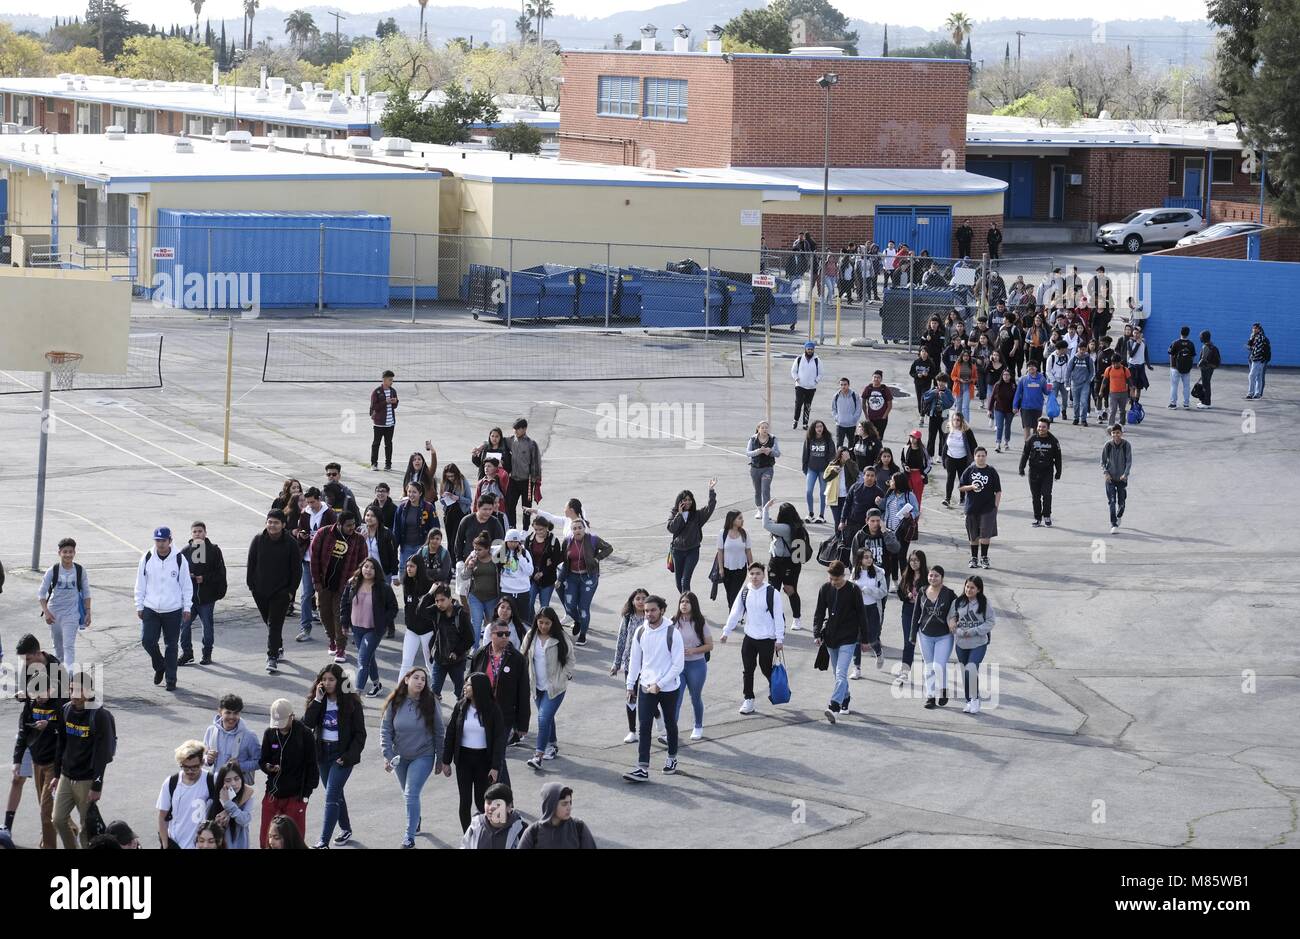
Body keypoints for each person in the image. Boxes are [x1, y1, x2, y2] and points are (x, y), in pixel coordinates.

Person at [8, 635, 66, 848]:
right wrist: (28, 695)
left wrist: (48, 694)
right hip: (37, 749)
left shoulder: (58, 670)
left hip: (55, 753)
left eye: (28, 659)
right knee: (48, 806)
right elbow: (27, 715)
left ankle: (49, 844)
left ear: (38, 653)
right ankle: (70, 830)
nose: (26, 664)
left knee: (46, 810)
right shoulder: (28, 671)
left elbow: (66, 707)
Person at [621, 595, 685, 782]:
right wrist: (630, 685)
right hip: (646, 685)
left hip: (668, 688)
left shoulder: (672, 633)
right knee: (645, 726)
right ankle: (642, 768)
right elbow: (634, 660)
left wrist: (661, 684)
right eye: (646, 610)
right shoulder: (641, 632)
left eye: (653, 610)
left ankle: (672, 758)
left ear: (662, 610)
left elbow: (678, 665)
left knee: (670, 723)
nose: (648, 613)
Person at [381, 666, 446, 848]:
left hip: (423, 755)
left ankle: (409, 837)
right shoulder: (395, 701)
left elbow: (440, 731)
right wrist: (388, 755)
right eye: (416, 677)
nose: (420, 682)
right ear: (407, 679)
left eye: (423, 679)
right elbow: (385, 729)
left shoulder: (431, 701)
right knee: (408, 794)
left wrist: (440, 759)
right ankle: (415, 818)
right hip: (400, 757)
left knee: (411, 794)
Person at [303, 664, 367, 848]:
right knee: (336, 793)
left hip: (342, 756)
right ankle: (346, 828)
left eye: (331, 679)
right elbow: (307, 724)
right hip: (323, 754)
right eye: (324, 679)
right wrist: (317, 699)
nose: (327, 683)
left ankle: (323, 841)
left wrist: (347, 756)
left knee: (331, 796)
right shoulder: (319, 700)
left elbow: (360, 735)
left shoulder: (352, 703)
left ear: (340, 681)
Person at [50, 669, 112, 849]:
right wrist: (56, 774)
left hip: (87, 779)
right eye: (71, 689)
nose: (74, 695)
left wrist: (97, 785)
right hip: (66, 776)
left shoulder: (99, 715)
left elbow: (103, 755)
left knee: (87, 827)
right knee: (58, 819)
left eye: (79, 690)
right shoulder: (66, 710)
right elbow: (61, 744)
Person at [441, 673, 507, 832]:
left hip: (483, 761)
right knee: (465, 801)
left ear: (479, 688)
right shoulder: (461, 706)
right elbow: (450, 733)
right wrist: (446, 761)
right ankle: (467, 836)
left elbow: (499, 740)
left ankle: (489, 833)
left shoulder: (493, 709)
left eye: (468, 685)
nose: (465, 687)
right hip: (463, 759)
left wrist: (495, 767)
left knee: (481, 801)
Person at [720, 563, 787, 715]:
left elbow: (778, 616)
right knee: (748, 669)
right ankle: (748, 699)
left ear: (764, 575)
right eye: (752, 574)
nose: (754, 577)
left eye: (758, 573)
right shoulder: (745, 591)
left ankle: (777, 688)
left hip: (767, 638)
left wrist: (779, 639)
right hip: (749, 637)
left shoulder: (772, 593)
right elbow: (736, 611)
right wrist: (726, 631)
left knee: (765, 668)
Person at [134, 526, 193, 692]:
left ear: (170, 541)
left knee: (171, 646)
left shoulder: (180, 559)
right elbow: (140, 583)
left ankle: (171, 679)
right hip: (151, 608)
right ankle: (160, 665)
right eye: (157, 541)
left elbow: (186, 586)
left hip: (173, 610)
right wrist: (139, 604)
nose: (160, 544)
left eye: (163, 541)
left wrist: (187, 607)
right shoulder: (147, 558)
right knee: (147, 640)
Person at [247, 510, 302, 675]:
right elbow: (251, 563)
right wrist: (252, 586)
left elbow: (296, 570)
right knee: (270, 623)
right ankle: (278, 646)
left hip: (281, 592)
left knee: (274, 624)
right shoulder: (258, 540)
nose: (272, 525)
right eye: (270, 522)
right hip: (260, 591)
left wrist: (291, 592)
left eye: (276, 522)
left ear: (283, 525)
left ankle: (272, 657)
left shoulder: (291, 543)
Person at [309, 511, 368, 664]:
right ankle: (332, 640)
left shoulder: (359, 540)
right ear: (339, 524)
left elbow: (363, 563)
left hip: (344, 585)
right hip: (324, 584)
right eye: (349, 525)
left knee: (339, 616)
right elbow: (314, 557)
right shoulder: (323, 534)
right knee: (324, 614)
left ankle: (341, 648)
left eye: (354, 525)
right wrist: (316, 581)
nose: (352, 528)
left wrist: (357, 583)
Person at [813, 560, 867, 724]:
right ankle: (846, 697)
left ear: (843, 576)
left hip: (848, 638)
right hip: (831, 637)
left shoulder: (853, 589)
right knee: (837, 673)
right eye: (831, 579)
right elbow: (819, 612)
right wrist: (816, 633)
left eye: (836, 579)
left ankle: (834, 705)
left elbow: (862, 615)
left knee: (841, 673)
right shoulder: (825, 588)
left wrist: (865, 639)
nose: (834, 582)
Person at [259, 698, 318, 847]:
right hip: (272, 794)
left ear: (292, 716)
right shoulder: (270, 733)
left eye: (283, 723)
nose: (280, 727)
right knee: (267, 839)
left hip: (295, 796)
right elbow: (262, 760)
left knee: (293, 840)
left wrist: (305, 795)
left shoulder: (305, 734)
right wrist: (268, 767)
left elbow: (312, 766)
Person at [468, 621, 531, 761]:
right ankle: (494, 782)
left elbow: (524, 692)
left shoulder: (517, 659)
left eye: (507, 634)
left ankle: (500, 783)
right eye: (500, 634)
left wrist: (522, 723)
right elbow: (469, 680)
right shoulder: (480, 654)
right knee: (486, 754)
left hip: (504, 714)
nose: (504, 637)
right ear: (491, 635)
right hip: (481, 710)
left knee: (497, 755)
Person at [522, 607, 574, 770]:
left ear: (553, 623)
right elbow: (523, 656)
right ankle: (552, 745)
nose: (543, 626)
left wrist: (563, 677)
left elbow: (570, 660)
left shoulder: (561, 638)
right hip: (537, 687)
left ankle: (538, 755)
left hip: (555, 687)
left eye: (547, 623)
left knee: (543, 718)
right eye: (540, 622)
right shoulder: (531, 636)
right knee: (547, 717)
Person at [339, 557, 398, 698]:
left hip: (374, 630)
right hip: (356, 628)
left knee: (363, 660)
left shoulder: (383, 587)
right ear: (361, 568)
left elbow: (393, 608)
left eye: (372, 567)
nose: (368, 570)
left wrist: (383, 622)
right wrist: (344, 623)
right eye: (366, 566)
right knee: (369, 657)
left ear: (376, 570)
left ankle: (357, 694)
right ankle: (377, 684)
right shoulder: (352, 583)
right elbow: (345, 604)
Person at [37, 538, 92, 669]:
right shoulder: (53, 570)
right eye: (65, 552)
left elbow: (86, 592)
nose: (68, 554)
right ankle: (60, 673)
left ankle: (69, 676)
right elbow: (41, 593)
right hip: (54, 612)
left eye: (71, 552)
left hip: (72, 613)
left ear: (74, 553)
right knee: (58, 646)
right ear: (59, 553)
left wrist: (88, 611)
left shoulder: (80, 570)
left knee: (69, 646)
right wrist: (46, 612)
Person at [156, 740, 218, 848]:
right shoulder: (171, 783)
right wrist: (165, 845)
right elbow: (162, 818)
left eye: (195, 767)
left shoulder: (211, 780)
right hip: (175, 844)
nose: (190, 771)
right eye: (185, 767)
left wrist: (226, 812)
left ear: (202, 762)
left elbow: (243, 792)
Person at [560, 518, 613, 646]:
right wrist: (560, 579)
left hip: (589, 578)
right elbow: (564, 562)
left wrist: (597, 558)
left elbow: (609, 548)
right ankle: (578, 621)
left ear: (584, 528)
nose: (577, 530)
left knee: (583, 607)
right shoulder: (567, 541)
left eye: (580, 528)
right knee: (570, 605)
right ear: (571, 531)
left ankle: (583, 635)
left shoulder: (593, 539)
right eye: (574, 528)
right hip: (572, 577)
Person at [292, 487, 334, 642]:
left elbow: (334, 534)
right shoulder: (305, 513)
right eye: (307, 502)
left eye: (312, 502)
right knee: (305, 595)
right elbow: (301, 530)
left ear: (319, 499)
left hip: (324, 561)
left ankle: (332, 627)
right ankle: (305, 628)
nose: (309, 505)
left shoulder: (328, 513)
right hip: (308, 560)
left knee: (326, 596)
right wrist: (302, 534)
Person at [950, 575, 995, 714]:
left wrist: (974, 631)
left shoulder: (984, 604)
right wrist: (956, 629)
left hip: (978, 643)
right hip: (961, 643)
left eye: (972, 588)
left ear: (979, 590)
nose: (969, 589)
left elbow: (990, 622)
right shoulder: (958, 602)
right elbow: (951, 617)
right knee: (965, 672)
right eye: (967, 586)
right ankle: (969, 701)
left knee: (971, 669)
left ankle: (975, 699)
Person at [913, 566, 957, 708]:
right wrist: (912, 634)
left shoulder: (949, 594)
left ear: (942, 577)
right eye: (931, 575)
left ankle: (943, 689)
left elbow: (959, 609)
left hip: (944, 636)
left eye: (936, 576)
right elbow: (916, 613)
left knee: (939, 665)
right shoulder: (922, 591)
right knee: (929, 666)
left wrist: (954, 619)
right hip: (925, 634)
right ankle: (930, 696)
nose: (933, 578)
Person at [181, 547, 231, 672]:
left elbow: (219, 573)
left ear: (205, 533)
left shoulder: (213, 551)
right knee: (183, 625)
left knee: (207, 626)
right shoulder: (186, 551)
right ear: (191, 534)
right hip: (190, 599)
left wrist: (204, 578)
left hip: (206, 598)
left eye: (200, 531)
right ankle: (187, 653)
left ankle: (207, 653)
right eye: (195, 531)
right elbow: (179, 571)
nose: (197, 534)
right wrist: (188, 576)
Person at [762, 500, 809, 631]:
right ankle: (794, 619)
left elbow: (766, 524)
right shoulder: (797, 526)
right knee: (789, 590)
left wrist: (765, 508)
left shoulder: (785, 528)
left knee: (777, 591)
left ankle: (785, 619)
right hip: (791, 563)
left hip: (781, 562)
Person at [672, 592, 713, 741]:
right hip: (678, 666)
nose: (683, 604)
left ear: (693, 604)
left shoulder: (700, 623)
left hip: (696, 665)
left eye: (687, 602)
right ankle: (671, 730)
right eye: (682, 601)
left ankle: (698, 726)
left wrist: (693, 650)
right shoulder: (673, 622)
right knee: (676, 698)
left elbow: (710, 646)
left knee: (695, 697)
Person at [201, 693, 261, 784]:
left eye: (235, 713)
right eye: (228, 712)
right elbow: (202, 757)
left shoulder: (249, 736)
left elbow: (260, 762)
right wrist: (208, 759)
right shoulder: (211, 731)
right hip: (216, 784)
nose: (232, 717)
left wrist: (240, 765)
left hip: (239, 788)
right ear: (220, 711)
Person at [958, 448, 1002, 569]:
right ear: (974, 456)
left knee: (985, 535)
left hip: (988, 508)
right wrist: (971, 487)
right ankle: (973, 558)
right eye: (978, 456)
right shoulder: (970, 470)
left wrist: (996, 507)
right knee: (973, 535)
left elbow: (998, 491)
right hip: (972, 508)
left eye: (983, 455)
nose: (981, 458)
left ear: (986, 456)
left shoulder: (991, 471)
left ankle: (984, 557)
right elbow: (961, 487)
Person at [519, 783, 597, 849]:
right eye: (564, 804)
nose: (569, 808)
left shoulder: (578, 827)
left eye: (570, 802)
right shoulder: (533, 832)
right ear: (551, 805)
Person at [1019, 416, 1063, 528]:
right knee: (1035, 496)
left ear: (1048, 428)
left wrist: (1058, 472)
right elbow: (1025, 454)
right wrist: (1021, 467)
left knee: (1047, 494)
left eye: (1043, 427)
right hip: (1033, 471)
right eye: (1039, 426)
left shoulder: (1053, 441)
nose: (1041, 429)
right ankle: (1037, 518)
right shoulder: (1031, 439)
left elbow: (1058, 457)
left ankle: (1047, 516)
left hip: (1047, 472)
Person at [893, 550, 927, 687]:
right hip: (908, 612)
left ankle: (929, 673)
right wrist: (906, 596)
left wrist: (919, 597)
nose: (913, 563)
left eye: (916, 560)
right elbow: (900, 593)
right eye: (911, 560)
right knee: (909, 642)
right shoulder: (906, 575)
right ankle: (904, 673)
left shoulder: (927, 577)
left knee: (926, 644)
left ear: (922, 561)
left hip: (924, 614)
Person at [461, 782, 527, 849]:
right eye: (488, 803)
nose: (491, 808)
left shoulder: (521, 830)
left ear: (509, 807)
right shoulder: (476, 826)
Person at [494, 530, 535, 637]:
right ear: (506, 541)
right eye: (510, 541)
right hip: (506, 591)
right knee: (504, 619)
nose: (513, 544)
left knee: (523, 622)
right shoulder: (501, 551)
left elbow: (529, 571)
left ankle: (523, 644)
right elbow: (485, 549)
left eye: (516, 542)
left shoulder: (525, 553)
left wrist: (520, 557)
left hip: (522, 592)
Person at [393, 482, 438, 577]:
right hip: (405, 547)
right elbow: (396, 529)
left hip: (422, 547)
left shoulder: (429, 507)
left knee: (421, 575)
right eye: (409, 491)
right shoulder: (402, 508)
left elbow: (435, 529)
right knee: (405, 575)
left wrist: (430, 546)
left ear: (420, 493)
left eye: (414, 492)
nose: (411, 494)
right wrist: (394, 547)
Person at [505, 419, 542, 530]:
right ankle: (512, 528)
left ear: (524, 429)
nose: (515, 431)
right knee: (510, 506)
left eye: (518, 429)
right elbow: (493, 440)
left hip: (527, 481)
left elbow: (536, 461)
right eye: (514, 429)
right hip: (513, 480)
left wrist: (535, 478)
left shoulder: (531, 444)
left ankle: (525, 530)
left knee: (526, 508)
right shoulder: (510, 441)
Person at [211, 759, 255, 849]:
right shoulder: (213, 800)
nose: (234, 783)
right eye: (228, 780)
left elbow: (244, 820)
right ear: (221, 782)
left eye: (237, 778)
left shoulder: (247, 799)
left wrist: (228, 803)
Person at [939, 410, 977, 509]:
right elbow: (944, 444)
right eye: (954, 420)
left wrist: (974, 458)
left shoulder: (966, 431)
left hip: (962, 458)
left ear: (961, 421)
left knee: (962, 479)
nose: (956, 422)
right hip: (950, 457)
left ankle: (962, 498)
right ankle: (947, 499)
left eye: (958, 420)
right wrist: (943, 457)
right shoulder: (948, 430)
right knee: (950, 477)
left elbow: (974, 445)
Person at [453, 493, 506, 563]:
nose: (488, 512)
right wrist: (459, 560)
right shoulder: (466, 520)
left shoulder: (495, 523)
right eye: (485, 509)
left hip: (488, 563)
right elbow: (458, 542)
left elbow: (500, 545)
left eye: (490, 509)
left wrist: (499, 566)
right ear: (478, 507)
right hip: (468, 561)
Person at [799, 422, 833, 524]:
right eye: (817, 427)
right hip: (812, 469)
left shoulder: (828, 439)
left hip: (824, 469)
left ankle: (821, 515)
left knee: (823, 492)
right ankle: (810, 513)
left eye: (821, 426)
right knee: (809, 491)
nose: (819, 428)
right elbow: (805, 454)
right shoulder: (809, 439)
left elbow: (832, 454)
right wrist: (804, 467)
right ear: (813, 428)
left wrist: (830, 468)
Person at [747, 421, 781, 520]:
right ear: (758, 428)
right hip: (755, 468)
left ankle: (766, 511)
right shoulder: (753, 439)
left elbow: (778, 453)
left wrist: (770, 452)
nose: (765, 429)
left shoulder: (773, 439)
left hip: (767, 468)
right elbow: (748, 453)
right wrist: (758, 451)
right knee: (757, 491)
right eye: (762, 428)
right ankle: (759, 510)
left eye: (766, 428)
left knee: (765, 489)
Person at [1102, 424, 1133, 533]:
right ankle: (1113, 524)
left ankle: (1119, 515)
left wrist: (1125, 474)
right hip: (1110, 478)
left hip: (1121, 478)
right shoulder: (1108, 445)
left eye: (1118, 433)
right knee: (1112, 501)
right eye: (1113, 433)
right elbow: (1103, 462)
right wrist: (1106, 473)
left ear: (1121, 433)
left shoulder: (1126, 445)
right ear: (1111, 434)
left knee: (1121, 501)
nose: (1116, 435)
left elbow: (1129, 462)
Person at [362, 507, 400, 596]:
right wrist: (361, 540)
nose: (369, 518)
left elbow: (393, 555)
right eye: (367, 515)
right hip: (365, 571)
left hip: (382, 572)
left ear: (378, 518)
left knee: (382, 597)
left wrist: (394, 575)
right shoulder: (360, 531)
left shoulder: (387, 533)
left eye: (373, 516)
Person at [1012, 361, 1050, 442]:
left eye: (1033, 366)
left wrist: (1050, 386)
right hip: (1025, 407)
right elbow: (1018, 393)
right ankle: (1027, 446)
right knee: (1026, 427)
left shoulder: (1042, 379)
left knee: (1037, 429)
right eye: (1029, 366)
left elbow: (1046, 392)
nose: (1031, 368)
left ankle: (1035, 446)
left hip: (1037, 407)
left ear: (1037, 368)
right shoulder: (1023, 379)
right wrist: (1015, 406)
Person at [368, 369, 399, 471]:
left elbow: (394, 406)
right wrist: (385, 401)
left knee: (388, 444)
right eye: (390, 380)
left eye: (392, 380)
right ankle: (374, 464)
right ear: (384, 380)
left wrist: (395, 401)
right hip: (379, 424)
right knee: (376, 443)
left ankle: (388, 464)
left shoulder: (393, 391)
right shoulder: (376, 392)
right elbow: (374, 407)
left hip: (390, 423)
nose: (392, 382)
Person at [437, 464, 474, 546]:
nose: (450, 478)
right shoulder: (445, 482)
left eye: (452, 476)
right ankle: (450, 558)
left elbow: (469, 500)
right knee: (450, 541)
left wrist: (458, 498)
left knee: (456, 540)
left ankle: (457, 558)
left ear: (456, 474)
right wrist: (444, 497)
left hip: (461, 514)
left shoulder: (463, 481)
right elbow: (441, 501)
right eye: (448, 476)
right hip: (449, 514)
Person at [824, 448, 860, 531]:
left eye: (847, 455)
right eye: (843, 455)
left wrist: (848, 461)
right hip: (834, 497)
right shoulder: (832, 464)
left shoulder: (852, 464)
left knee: (846, 521)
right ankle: (838, 540)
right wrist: (834, 472)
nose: (845, 457)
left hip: (847, 497)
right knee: (837, 521)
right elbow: (826, 478)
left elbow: (855, 475)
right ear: (839, 455)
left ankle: (844, 539)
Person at [791, 341, 821, 430]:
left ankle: (805, 423)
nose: (810, 351)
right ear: (805, 349)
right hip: (800, 386)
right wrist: (796, 378)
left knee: (807, 405)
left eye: (811, 349)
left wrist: (816, 381)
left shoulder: (817, 360)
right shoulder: (799, 359)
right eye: (808, 349)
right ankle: (795, 420)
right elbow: (793, 371)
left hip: (811, 387)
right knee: (798, 403)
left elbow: (821, 373)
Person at [922, 375, 955, 457]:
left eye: (943, 381)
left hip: (944, 417)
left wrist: (942, 396)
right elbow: (925, 398)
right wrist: (934, 393)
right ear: (937, 381)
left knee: (943, 437)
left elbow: (949, 404)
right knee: (931, 437)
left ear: (946, 383)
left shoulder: (948, 392)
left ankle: (941, 455)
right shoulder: (933, 389)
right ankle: (930, 455)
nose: (941, 383)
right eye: (939, 381)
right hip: (933, 416)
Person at [1066, 341, 1097, 426]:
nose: (1082, 351)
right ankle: (1076, 418)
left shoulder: (1088, 359)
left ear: (1086, 349)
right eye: (1080, 349)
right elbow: (1068, 371)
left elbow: (1092, 372)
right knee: (1076, 403)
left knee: (1084, 402)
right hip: (1074, 384)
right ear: (1078, 349)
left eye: (1084, 349)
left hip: (1085, 384)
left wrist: (1088, 381)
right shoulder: (1073, 359)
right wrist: (1067, 383)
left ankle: (1083, 419)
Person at [1168, 325, 1198, 410]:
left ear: (1180, 332)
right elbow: (1192, 356)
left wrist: (1171, 365)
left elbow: (1170, 354)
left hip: (1175, 368)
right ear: (1188, 334)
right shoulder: (1191, 344)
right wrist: (1189, 366)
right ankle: (1186, 404)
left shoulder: (1175, 343)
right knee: (1186, 386)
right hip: (1187, 369)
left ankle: (1173, 404)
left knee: (1174, 386)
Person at [830, 377, 862, 449]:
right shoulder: (836, 396)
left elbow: (859, 409)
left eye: (845, 384)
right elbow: (833, 409)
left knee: (852, 444)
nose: (843, 386)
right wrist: (837, 418)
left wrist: (854, 419)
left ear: (848, 385)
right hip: (840, 425)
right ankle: (839, 459)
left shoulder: (855, 395)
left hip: (851, 425)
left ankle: (850, 459)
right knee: (839, 444)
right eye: (841, 385)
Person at [989, 369, 1016, 452]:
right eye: (1004, 375)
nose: (1006, 376)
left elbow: (1017, 398)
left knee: (1007, 426)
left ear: (1010, 376)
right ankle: (998, 443)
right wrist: (989, 409)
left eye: (1007, 375)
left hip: (1010, 410)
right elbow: (992, 397)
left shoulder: (1013, 385)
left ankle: (1006, 442)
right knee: (999, 426)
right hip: (999, 409)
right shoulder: (998, 385)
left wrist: (1017, 407)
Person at [1103, 355, 1133, 429]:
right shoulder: (1108, 369)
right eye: (1114, 363)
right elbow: (1104, 381)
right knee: (1113, 410)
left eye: (1117, 363)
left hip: (1123, 393)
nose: (1115, 365)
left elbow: (1130, 382)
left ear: (1120, 362)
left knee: (1122, 410)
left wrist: (1132, 393)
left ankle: (1121, 425)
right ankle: (1111, 425)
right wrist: (1101, 391)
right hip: (1113, 393)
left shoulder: (1125, 370)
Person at [862, 370, 894, 438]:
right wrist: (866, 417)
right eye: (874, 377)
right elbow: (863, 403)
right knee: (869, 437)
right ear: (872, 378)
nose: (876, 379)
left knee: (879, 438)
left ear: (881, 379)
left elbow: (890, 405)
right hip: (870, 419)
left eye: (878, 377)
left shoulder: (885, 389)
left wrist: (884, 417)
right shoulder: (868, 388)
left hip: (881, 419)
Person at [1124, 326, 1150, 403]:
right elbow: (1131, 354)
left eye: (1137, 333)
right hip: (1132, 367)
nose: (1136, 334)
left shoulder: (1144, 342)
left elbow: (1146, 354)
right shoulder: (1129, 342)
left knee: (1139, 387)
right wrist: (1137, 344)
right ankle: (1131, 400)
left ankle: (1136, 402)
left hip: (1141, 367)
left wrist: (1148, 365)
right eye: (1134, 332)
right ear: (1132, 333)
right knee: (1132, 386)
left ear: (1141, 334)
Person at [910, 347, 936, 422]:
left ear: (928, 353)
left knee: (923, 399)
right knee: (919, 400)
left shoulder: (930, 363)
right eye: (922, 351)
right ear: (920, 353)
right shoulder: (916, 362)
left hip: (926, 383)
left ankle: (922, 415)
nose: (924, 353)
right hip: (918, 383)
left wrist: (927, 375)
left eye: (925, 352)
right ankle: (921, 412)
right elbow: (911, 372)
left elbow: (934, 374)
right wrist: (917, 375)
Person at [1196, 330, 1220, 409]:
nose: (1200, 338)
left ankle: (1206, 403)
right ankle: (1204, 401)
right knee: (1206, 384)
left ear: (1204, 337)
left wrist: (1198, 364)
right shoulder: (1211, 345)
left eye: (1201, 336)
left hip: (1206, 368)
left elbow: (1203, 358)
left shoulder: (1205, 346)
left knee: (1206, 385)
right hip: (1211, 367)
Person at [1246, 322, 1270, 399]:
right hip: (1253, 358)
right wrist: (1251, 338)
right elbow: (1249, 345)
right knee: (1258, 377)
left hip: (1258, 359)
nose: (1254, 329)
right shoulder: (1253, 336)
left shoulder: (1261, 337)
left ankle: (1250, 393)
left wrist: (1264, 359)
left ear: (1259, 329)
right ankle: (1257, 393)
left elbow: (1260, 349)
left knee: (1251, 376)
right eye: (1253, 328)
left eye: (1255, 328)